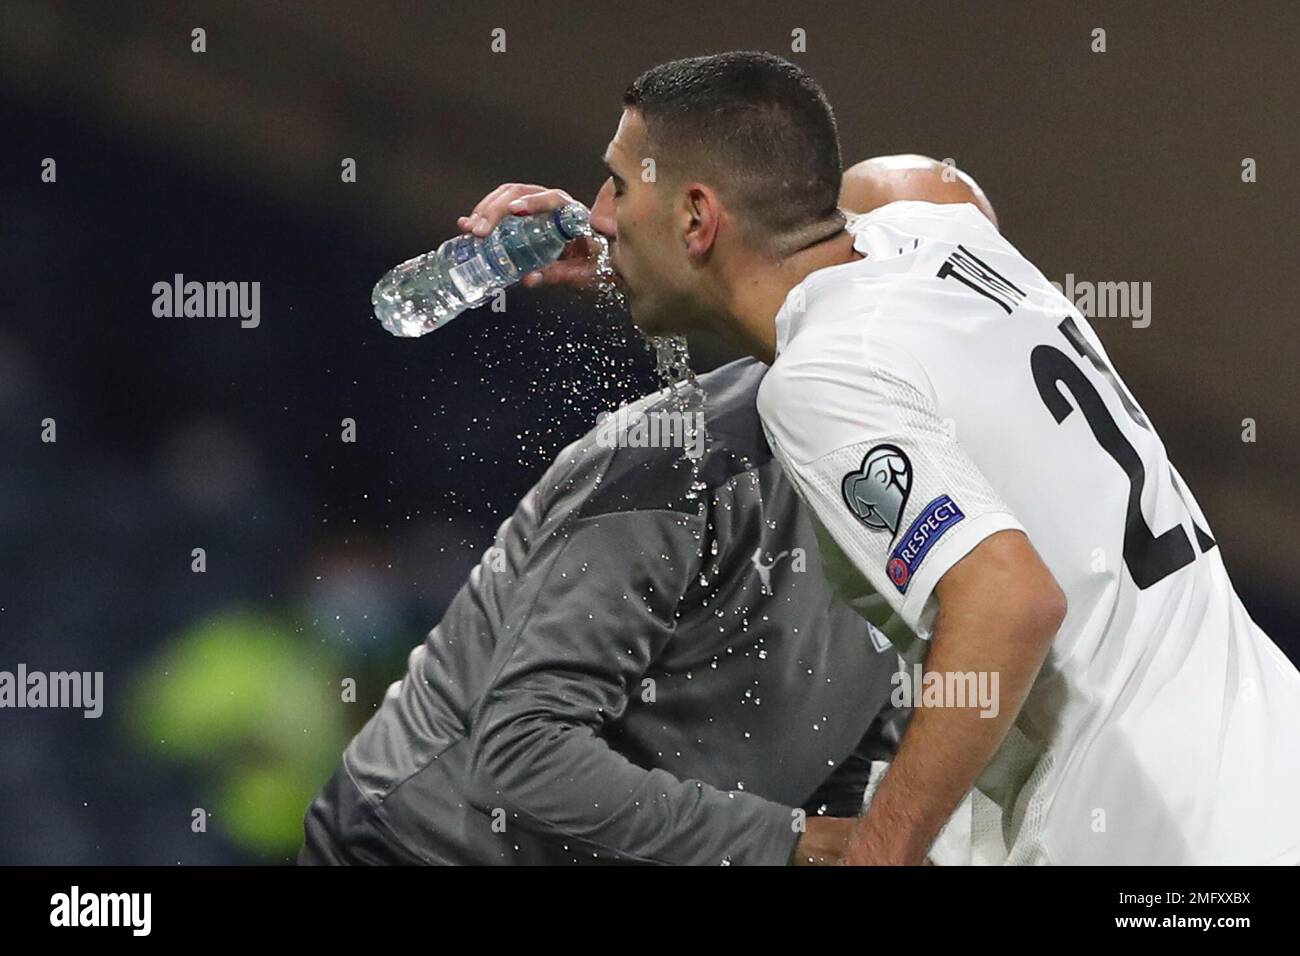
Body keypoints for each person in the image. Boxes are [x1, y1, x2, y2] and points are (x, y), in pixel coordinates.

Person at [485, 51, 1300, 865]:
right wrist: (640, 259)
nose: (596, 215)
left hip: (1157, 843)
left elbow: (1010, 605)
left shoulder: (816, 381)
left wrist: (881, 855)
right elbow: (904, 191)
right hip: (1270, 753)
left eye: (619, 188)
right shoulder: (933, 227)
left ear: (698, 218)